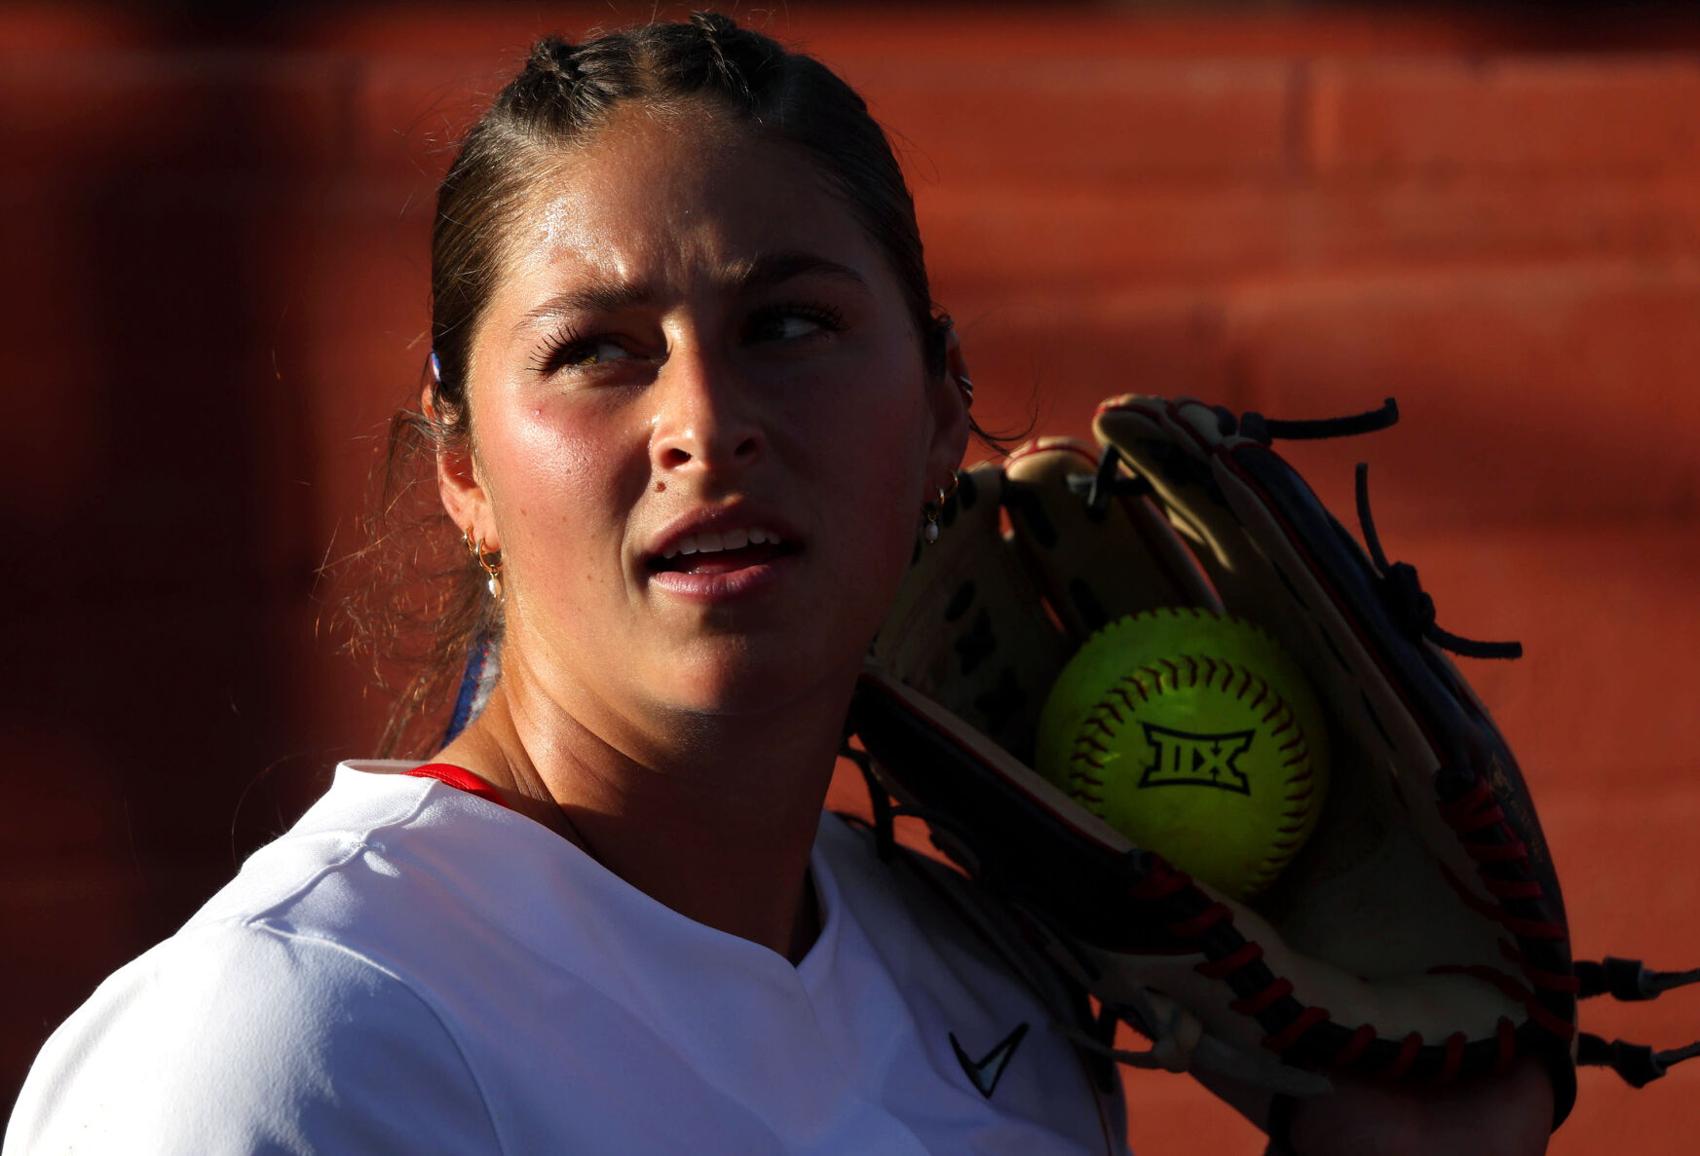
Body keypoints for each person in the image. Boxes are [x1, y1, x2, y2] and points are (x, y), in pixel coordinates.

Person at [5, 13, 1553, 1154]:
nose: (705, 422)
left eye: (790, 326)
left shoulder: (991, 988)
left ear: (941, 409)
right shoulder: (291, 1041)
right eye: (596, 351)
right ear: (461, 470)